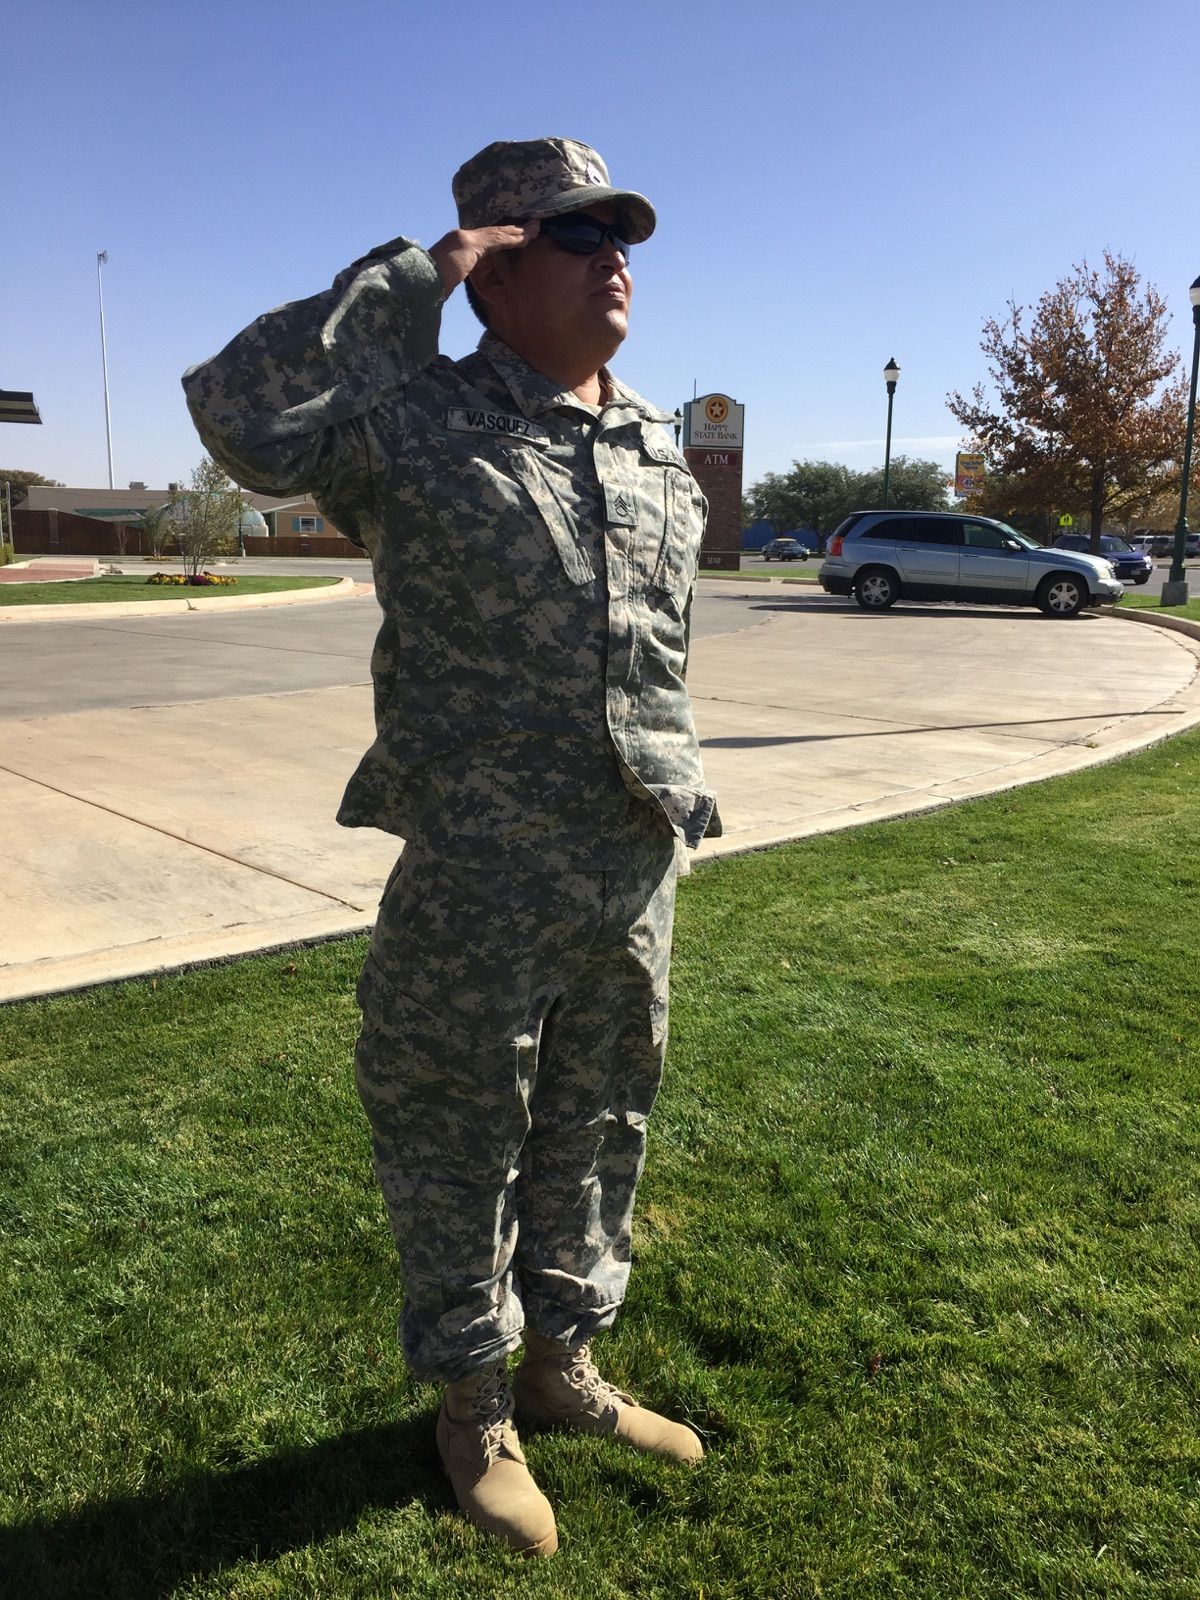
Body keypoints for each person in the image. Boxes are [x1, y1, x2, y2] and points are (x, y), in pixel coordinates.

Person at [183, 136, 718, 1558]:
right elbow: (241, 419)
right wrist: (411, 283)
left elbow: (662, 667)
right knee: (458, 1137)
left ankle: (565, 1369)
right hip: (479, 874)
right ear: (494, 263)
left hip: (627, 864)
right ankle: (473, 1403)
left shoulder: (661, 446)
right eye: (575, 231)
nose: (616, 254)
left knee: (602, 1126)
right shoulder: (410, 418)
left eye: (625, 233)